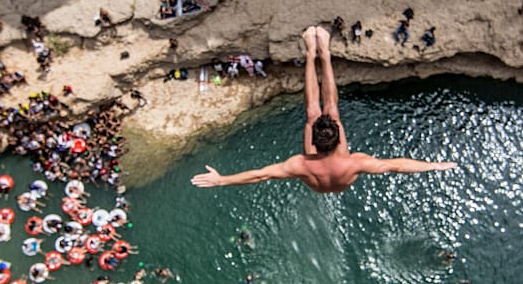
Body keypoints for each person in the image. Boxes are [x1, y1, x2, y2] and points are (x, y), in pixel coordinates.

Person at [192, 26, 456, 193]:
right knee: (331, 109)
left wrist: (222, 179)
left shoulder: (300, 164)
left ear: (312, 145)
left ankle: (311, 53)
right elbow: (397, 166)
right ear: (340, 140)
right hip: (341, 177)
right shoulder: (356, 162)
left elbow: (260, 175)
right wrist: (432, 165)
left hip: (315, 177)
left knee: (312, 112)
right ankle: (325, 53)